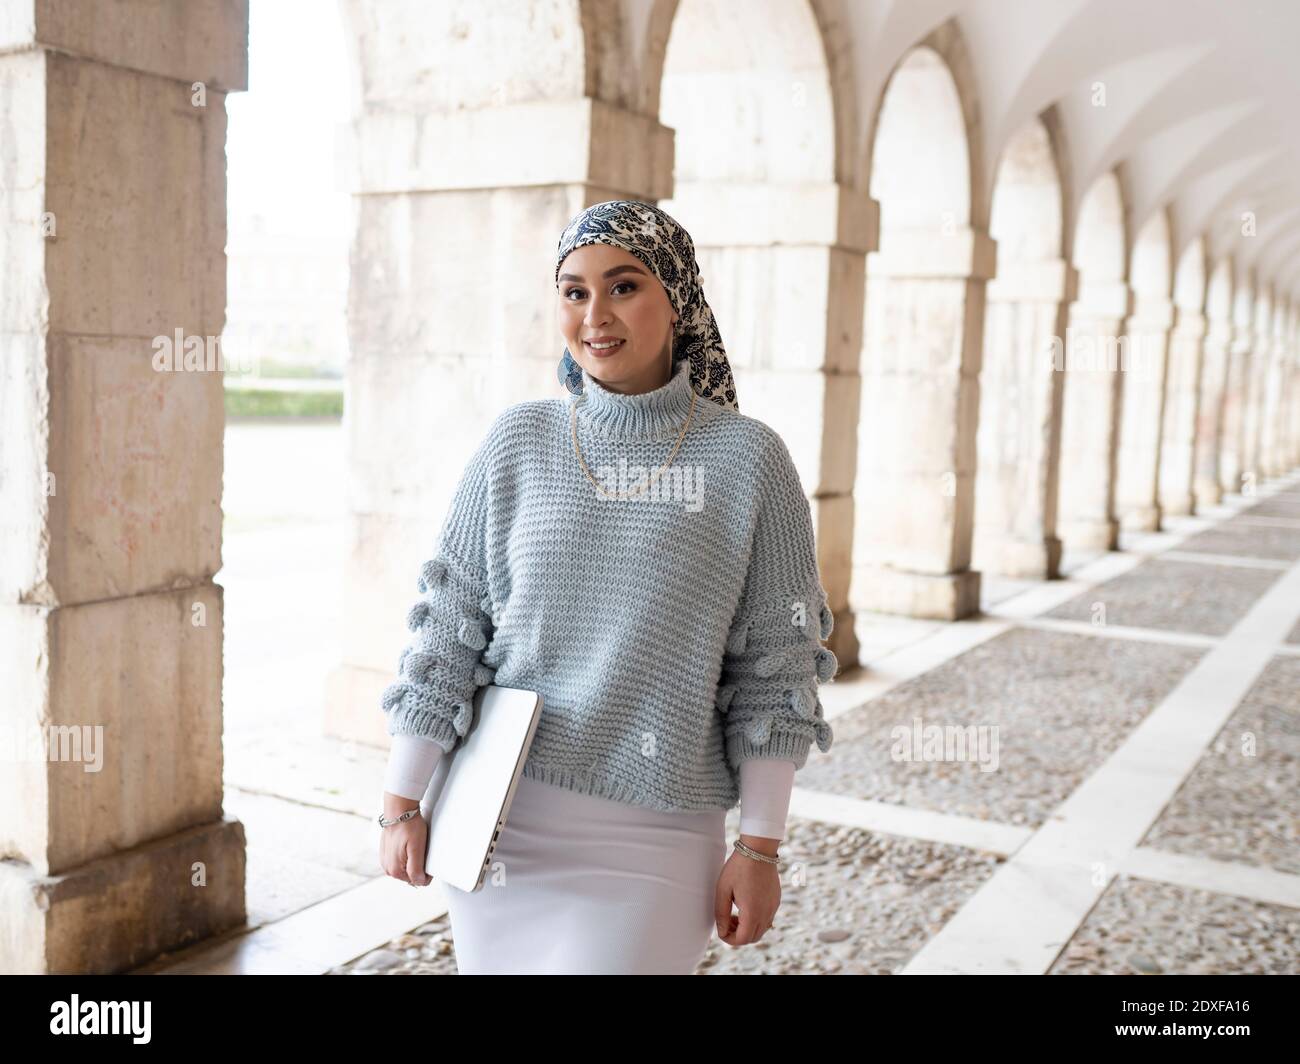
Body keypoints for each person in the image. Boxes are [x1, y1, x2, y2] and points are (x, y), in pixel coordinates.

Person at [376, 199, 837, 974]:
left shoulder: (749, 461)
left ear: (677, 297)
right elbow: (447, 631)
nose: (595, 314)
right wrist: (401, 800)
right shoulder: (518, 442)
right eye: (573, 290)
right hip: (500, 827)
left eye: (624, 286)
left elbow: (776, 673)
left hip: (655, 839)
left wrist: (759, 847)